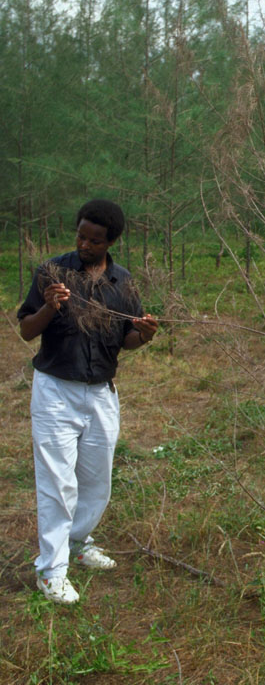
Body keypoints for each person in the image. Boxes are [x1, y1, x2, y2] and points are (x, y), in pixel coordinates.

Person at [18, 199, 158, 604]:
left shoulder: (122, 283)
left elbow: (126, 340)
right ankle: (51, 571)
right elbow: (27, 330)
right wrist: (49, 305)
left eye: (94, 240)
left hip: (100, 393)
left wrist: (144, 334)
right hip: (55, 391)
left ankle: (78, 543)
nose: (84, 244)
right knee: (57, 483)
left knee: (96, 482)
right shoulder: (53, 272)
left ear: (111, 241)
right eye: (81, 235)